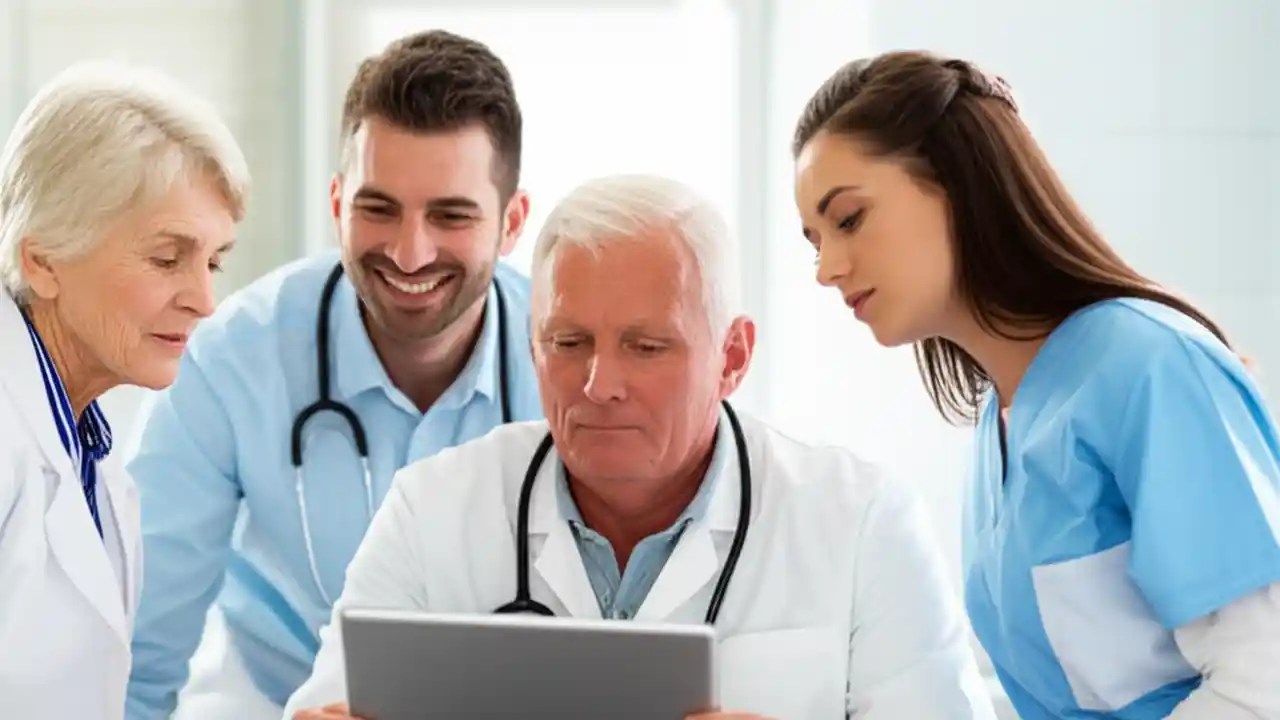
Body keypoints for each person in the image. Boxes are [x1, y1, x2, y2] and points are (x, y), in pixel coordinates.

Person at [284, 174, 997, 720]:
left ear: (732, 358)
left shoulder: (863, 521)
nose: (600, 384)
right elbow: (327, 708)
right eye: (569, 343)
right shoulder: (432, 507)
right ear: (534, 352)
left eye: (646, 347)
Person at [792, 51, 1280, 719]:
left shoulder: (1148, 366)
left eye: (847, 219)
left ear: (962, 185)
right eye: (812, 239)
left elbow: (1264, 683)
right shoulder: (998, 422)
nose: (826, 268)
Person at [124, 30, 543, 719]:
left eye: (451, 215)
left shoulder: (571, 364)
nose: (411, 253)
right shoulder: (234, 360)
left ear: (512, 221)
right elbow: (138, 659)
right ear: (336, 202)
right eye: (378, 208)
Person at [0, 61, 248, 719]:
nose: (205, 300)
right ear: (43, 259)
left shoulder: (90, 450)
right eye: (168, 258)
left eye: (214, 261)